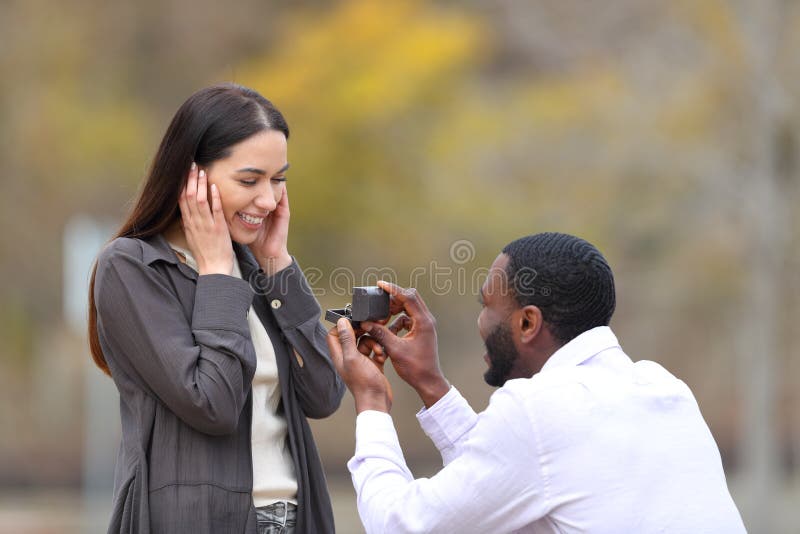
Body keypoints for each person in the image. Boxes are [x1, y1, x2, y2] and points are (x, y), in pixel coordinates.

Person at [327, 232, 746, 533]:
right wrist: (430, 384)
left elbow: (400, 524)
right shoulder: (665, 389)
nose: (480, 323)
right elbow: (507, 480)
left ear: (528, 322)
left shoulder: (537, 409)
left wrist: (371, 400)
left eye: (487, 306)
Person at [88, 83, 345, 534]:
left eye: (278, 180)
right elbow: (213, 404)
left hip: (294, 519)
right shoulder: (131, 268)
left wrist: (279, 267)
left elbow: (324, 393)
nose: (268, 200)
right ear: (193, 176)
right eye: (249, 180)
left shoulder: (258, 268)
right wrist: (216, 274)